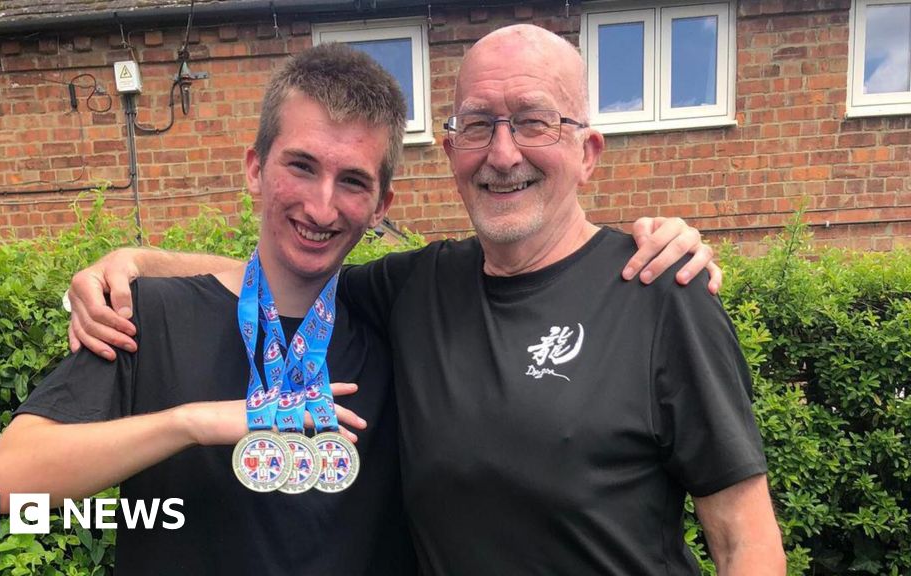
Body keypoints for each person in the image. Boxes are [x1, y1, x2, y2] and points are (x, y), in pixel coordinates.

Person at [64, 27, 778, 575]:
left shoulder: (660, 292)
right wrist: (135, 261)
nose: (502, 153)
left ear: (587, 151)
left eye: (532, 121)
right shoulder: (417, 288)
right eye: (476, 125)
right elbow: (291, 267)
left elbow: (742, 532)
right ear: (449, 150)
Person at [0, 43, 418, 575]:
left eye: (352, 180)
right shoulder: (150, 313)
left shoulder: (400, 320)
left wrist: (145, 254)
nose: (321, 206)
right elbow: (7, 482)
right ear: (255, 169)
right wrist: (191, 423)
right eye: (301, 166)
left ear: (381, 206)